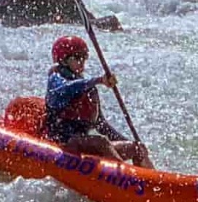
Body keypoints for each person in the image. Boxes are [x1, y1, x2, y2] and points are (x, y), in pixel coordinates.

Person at [44, 35, 150, 166]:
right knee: (100, 142)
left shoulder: (88, 89)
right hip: (63, 143)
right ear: (63, 60)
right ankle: (129, 179)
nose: (82, 61)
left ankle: (153, 180)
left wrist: (131, 143)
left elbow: (100, 125)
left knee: (136, 148)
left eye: (84, 57)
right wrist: (99, 80)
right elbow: (65, 89)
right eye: (77, 57)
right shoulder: (56, 80)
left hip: (84, 144)